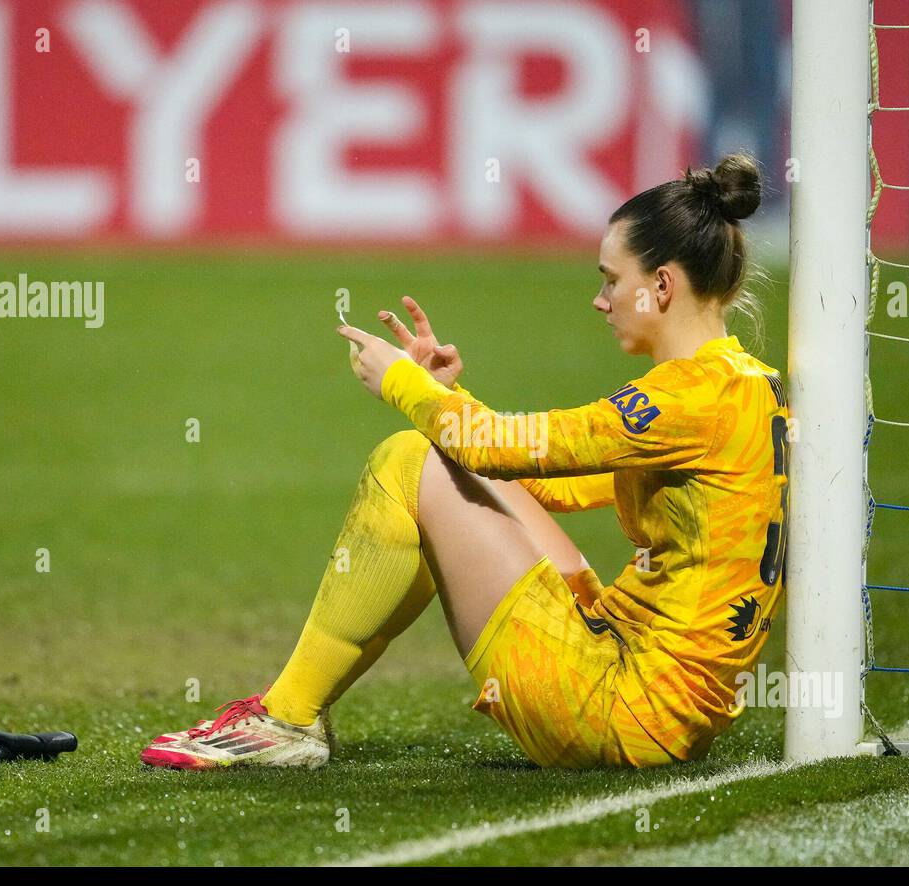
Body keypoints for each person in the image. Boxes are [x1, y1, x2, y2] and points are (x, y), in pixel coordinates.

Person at [141, 154, 788, 771]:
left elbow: (491, 451)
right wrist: (450, 398)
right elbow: (538, 480)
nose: (600, 299)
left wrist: (404, 386)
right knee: (442, 462)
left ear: (663, 286)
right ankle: (290, 715)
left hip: (617, 708)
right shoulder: (747, 386)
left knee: (407, 459)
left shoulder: (686, 400)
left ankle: (284, 719)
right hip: (663, 701)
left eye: (612, 280)